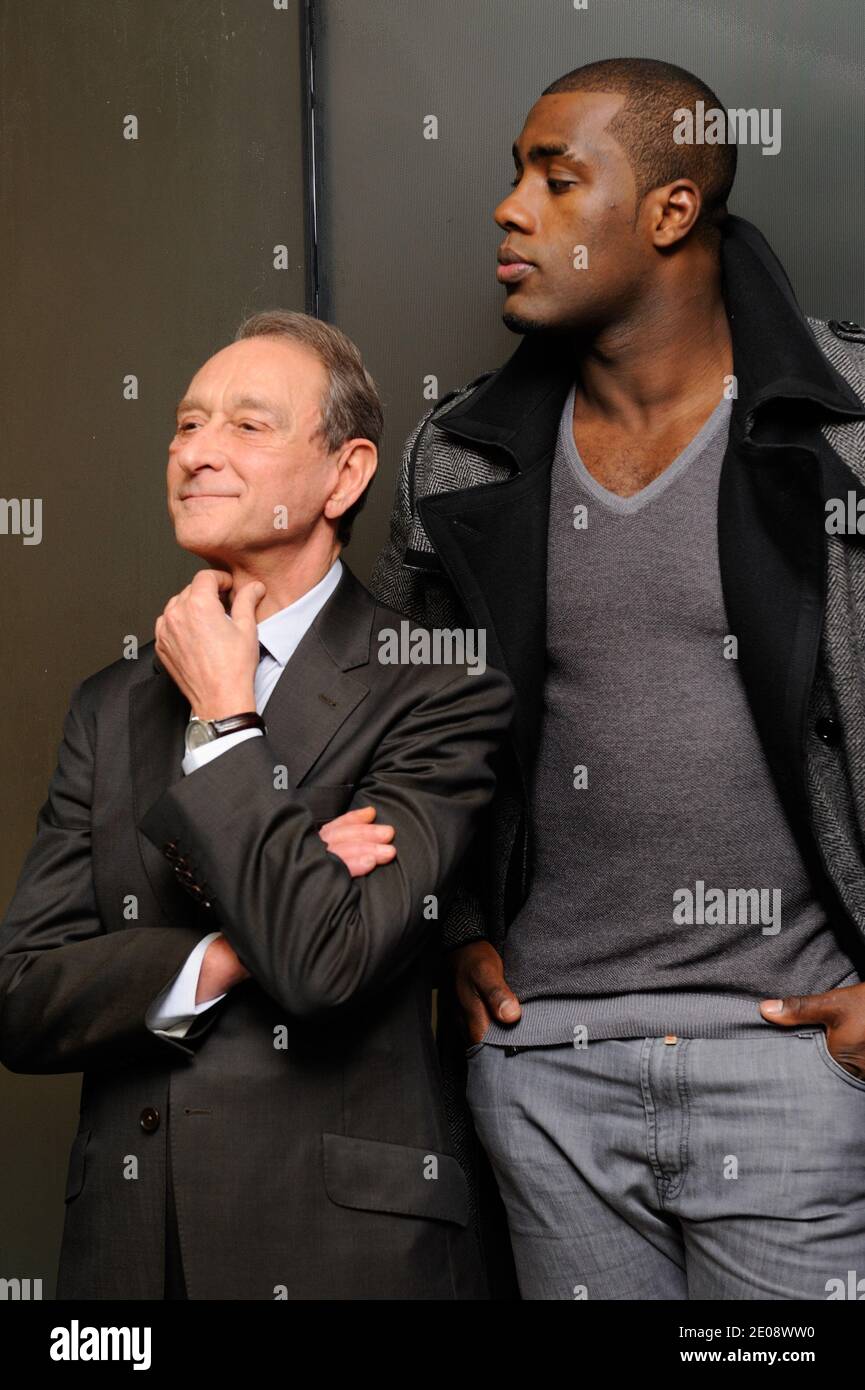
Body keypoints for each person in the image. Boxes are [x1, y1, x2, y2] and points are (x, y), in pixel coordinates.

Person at [369, 57, 865, 1300]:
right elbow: (418, 735)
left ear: (669, 211)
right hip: (546, 1066)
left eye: (556, 175)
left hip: (795, 1060)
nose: (509, 207)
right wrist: (457, 933)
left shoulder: (848, 424)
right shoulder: (460, 459)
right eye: (513, 173)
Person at [0, 309, 513, 1300]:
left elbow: (327, 961)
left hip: (343, 1253)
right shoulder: (109, 708)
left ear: (345, 474)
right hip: (128, 1258)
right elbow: (23, 997)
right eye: (186, 424)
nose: (195, 451)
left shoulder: (438, 684)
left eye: (246, 424)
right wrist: (225, 952)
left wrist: (229, 720)